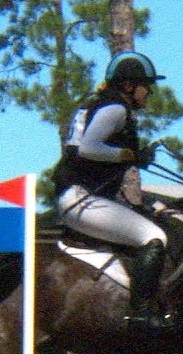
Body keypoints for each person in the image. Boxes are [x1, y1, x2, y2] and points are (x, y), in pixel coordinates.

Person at [52, 51, 174, 332]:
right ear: (129, 86)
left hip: (84, 195)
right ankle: (142, 313)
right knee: (154, 237)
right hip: (81, 199)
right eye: (146, 86)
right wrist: (131, 156)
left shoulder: (104, 105)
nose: (149, 92)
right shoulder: (116, 108)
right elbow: (89, 148)